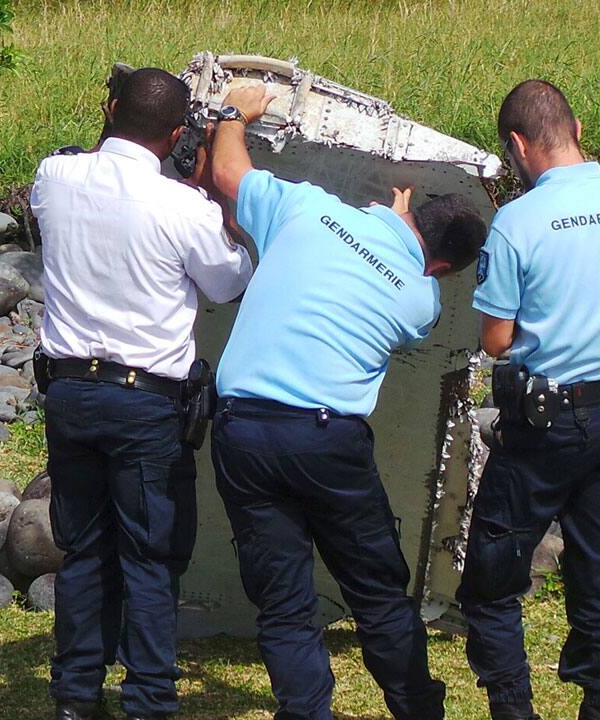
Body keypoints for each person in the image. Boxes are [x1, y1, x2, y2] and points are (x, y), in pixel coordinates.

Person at [207, 81, 488, 720]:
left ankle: (305, 711)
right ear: (442, 266)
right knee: (378, 592)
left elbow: (228, 170)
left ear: (407, 204)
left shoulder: (308, 210)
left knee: (281, 599)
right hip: (328, 442)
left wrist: (235, 113)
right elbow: (402, 282)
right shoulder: (419, 300)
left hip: (244, 430)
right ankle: (417, 707)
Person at [31, 68, 253, 720]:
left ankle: (75, 694)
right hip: (146, 400)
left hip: (69, 390)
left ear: (108, 110)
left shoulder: (54, 177)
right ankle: (149, 699)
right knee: (151, 557)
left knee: (82, 549)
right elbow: (227, 282)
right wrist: (220, 201)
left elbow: (83, 184)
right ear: (179, 134)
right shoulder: (184, 208)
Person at [459, 80, 600, 720]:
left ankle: (513, 709)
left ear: (518, 146)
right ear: (577, 127)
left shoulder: (518, 221)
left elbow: (496, 340)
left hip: (542, 425)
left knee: (494, 576)